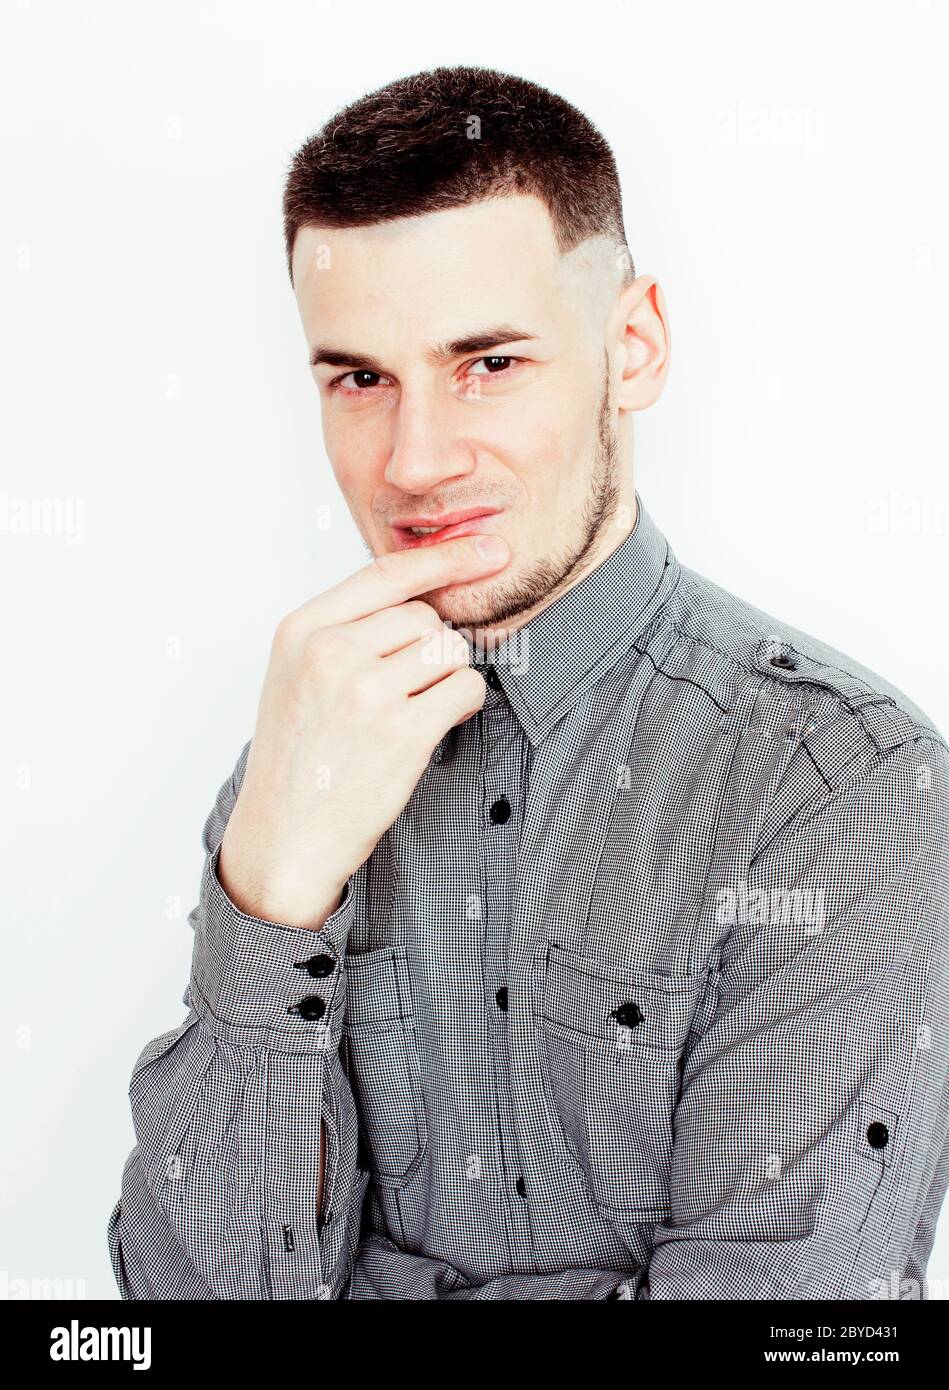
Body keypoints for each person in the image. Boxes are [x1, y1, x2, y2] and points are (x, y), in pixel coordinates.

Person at [108, 65, 949, 1300]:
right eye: (358, 378)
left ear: (633, 346)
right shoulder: (306, 762)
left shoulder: (840, 784)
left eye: (488, 363)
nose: (415, 459)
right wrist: (271, 888)